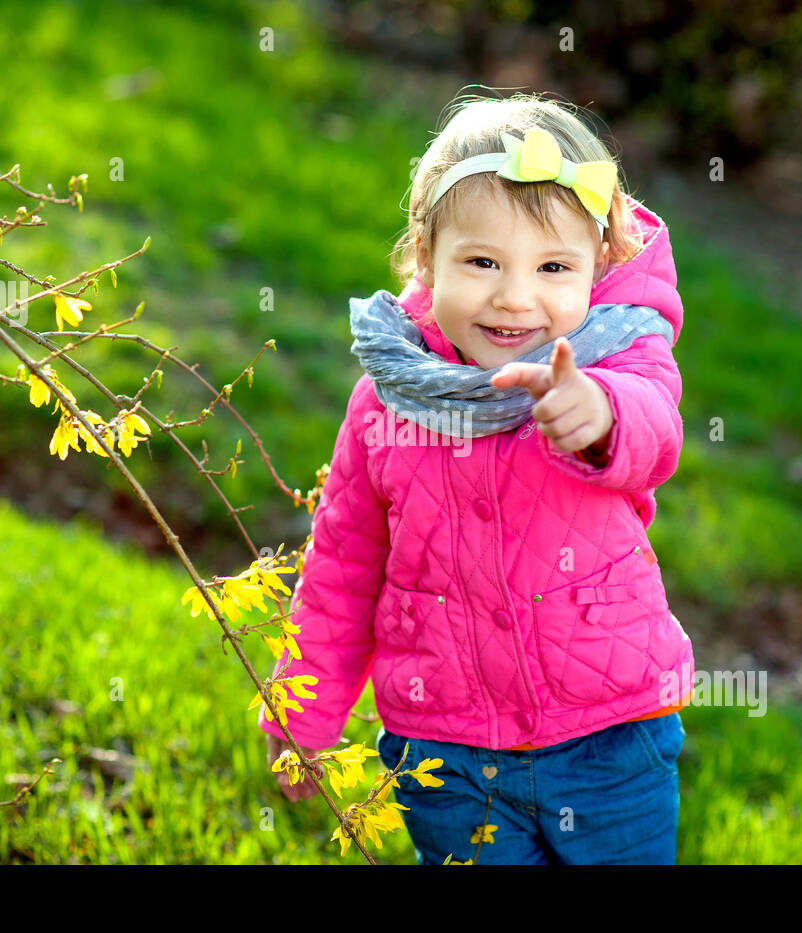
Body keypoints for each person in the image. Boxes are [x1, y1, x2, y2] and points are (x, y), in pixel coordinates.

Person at [259, 92, 694, 864]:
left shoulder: (615, 362)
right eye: (482, 262)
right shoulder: (390, 398)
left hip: (609, 736)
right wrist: (304, 707)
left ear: (596, 268)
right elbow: (342, 564)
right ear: (426, 259)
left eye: (552, 267)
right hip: (450, 752)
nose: (515, 296)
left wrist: (598, 417)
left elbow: (653, 432)